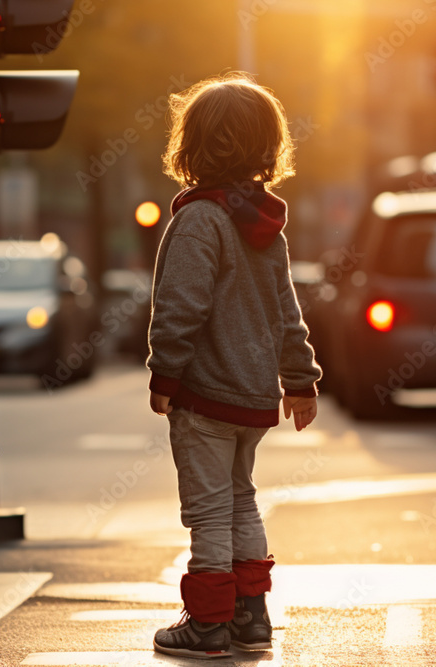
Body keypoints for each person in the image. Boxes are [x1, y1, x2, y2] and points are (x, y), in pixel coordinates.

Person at [146, 72, 322, 660]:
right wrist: (299, 381)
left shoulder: (199, 220)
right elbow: (286, 310)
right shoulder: (264, 225)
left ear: (190, 145)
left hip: (205, 398)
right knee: (242, 497)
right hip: (252, 398)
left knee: (207, 511)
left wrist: (164, 376)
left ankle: (208, 624)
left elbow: (181, 307)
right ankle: (251, 617)